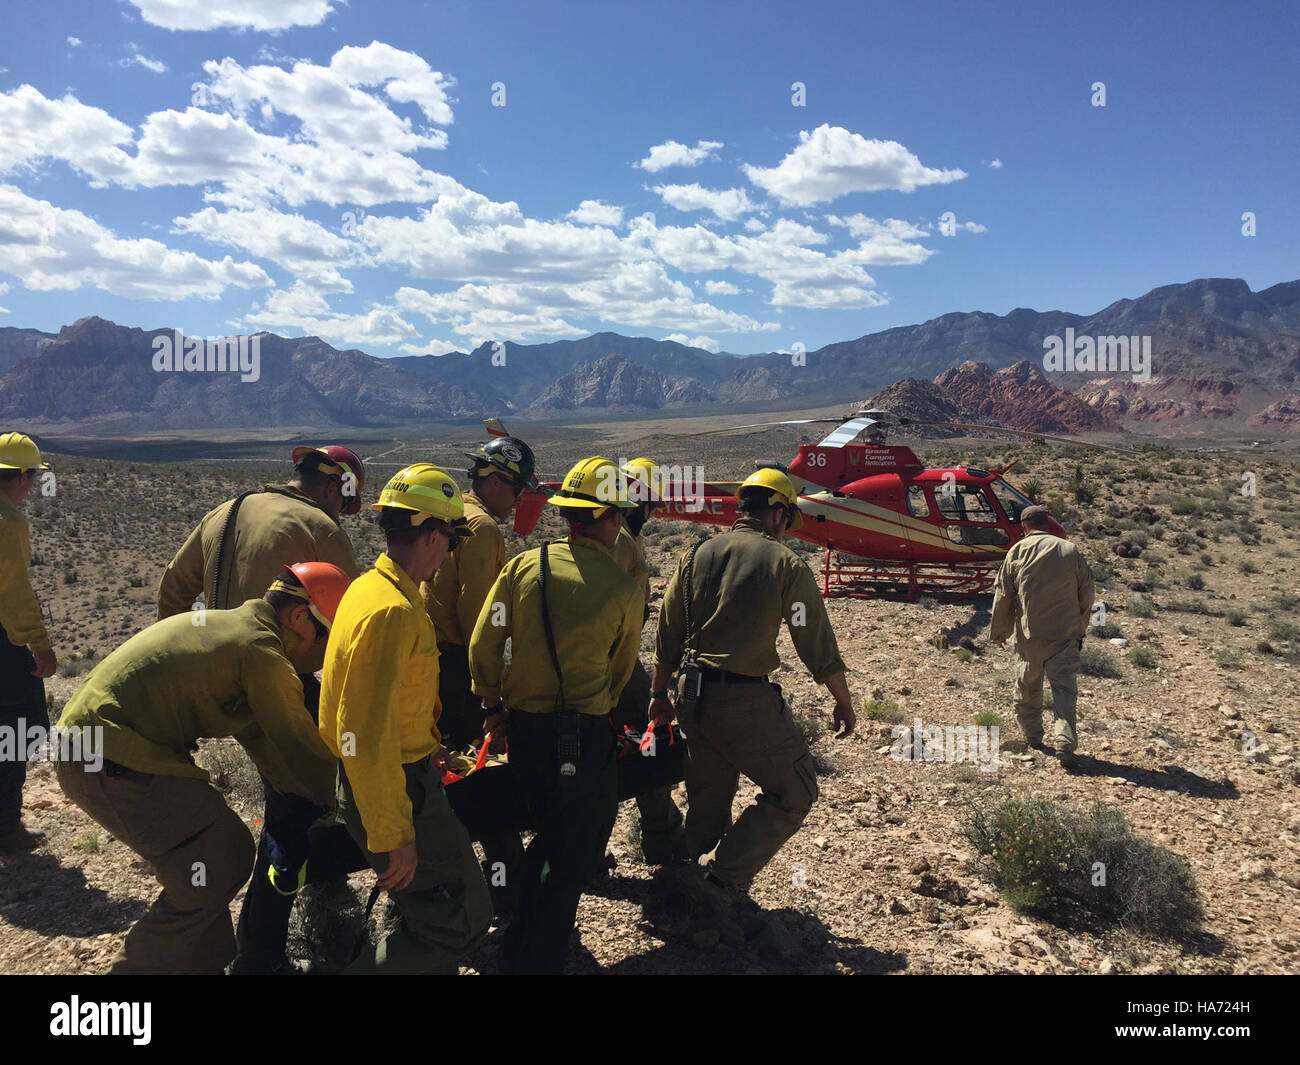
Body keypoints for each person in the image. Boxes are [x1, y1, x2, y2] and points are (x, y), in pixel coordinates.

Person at [55, 564, 350, 974]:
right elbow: (298, 741)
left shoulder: (236, 632)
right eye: (321, 636)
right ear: (299, 617)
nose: (315, 651)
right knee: (216, 860)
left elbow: (261, 735)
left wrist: (302, 793)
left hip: (94, 746)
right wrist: (353, 801)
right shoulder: (260, 652)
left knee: (214, 865)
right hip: (109, 754)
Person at [155, 444, 366, 974]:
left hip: (217, 690)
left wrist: (188, 668)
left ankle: (318, 884)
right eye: (346, 502)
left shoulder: (225, 511)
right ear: (337, 488)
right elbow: (357, 623)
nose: (343, 512)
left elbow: (172, 591)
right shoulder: (320, 528)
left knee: (297, 802)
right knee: (295, 806)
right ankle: (260, 951)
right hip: (276, 688)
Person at [650, 467, 855, 936]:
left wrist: (658, 694)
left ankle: (680, 871)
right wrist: (841, 699)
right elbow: (815, 641)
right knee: (796, 790)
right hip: (743, 701)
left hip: (690, 696)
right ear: (780, 513)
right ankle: (721, 883)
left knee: (710, 791)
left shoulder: (697, 552)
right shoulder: (784, 564)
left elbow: (667, 633)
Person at [469, 456, 643, 973]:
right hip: (584, 735)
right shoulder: (624, 590)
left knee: (545, 831)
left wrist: (493, 703)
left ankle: (519, 936)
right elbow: (620, 670)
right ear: (609, 518)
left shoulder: (524, 566)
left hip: (524, 731)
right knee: (569, 850)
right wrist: (599, 707)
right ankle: (539, 955)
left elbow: (484, 641)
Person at [319, 463, 493, 974]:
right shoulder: (391, 610)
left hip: (397, 779)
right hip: (395, 788)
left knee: (438, 912)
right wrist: (394, 835)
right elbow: (363, 735)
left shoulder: (373, 588)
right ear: (436, 535)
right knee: (457, 918)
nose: (452, 550)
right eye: (453, 539)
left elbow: (381, 710)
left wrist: (427, 740)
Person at [421, 436, 538, 749]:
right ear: (496, 481)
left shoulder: (454, 511)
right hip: (458, 669)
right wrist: (491, 696)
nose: (520, 499)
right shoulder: (482, 527)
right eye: (518, 489)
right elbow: (477, 617)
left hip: (432, 657)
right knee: (469, 764)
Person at [609, 457, 685, 864]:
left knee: (619, 747)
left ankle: (583, 846)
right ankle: (663, 837)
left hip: (614, 656)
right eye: (650, 504)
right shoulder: (620, 539)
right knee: (649, 739)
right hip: (613, 662)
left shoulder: (625, 535)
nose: (652, 513)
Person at [989, 504, 1095, 768]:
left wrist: (1000, 630)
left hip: (1029, 635)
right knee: (1064, 691)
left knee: (1027, 688)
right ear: (1048, 524)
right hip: (1065, 636)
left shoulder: (1017, 550)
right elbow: (1087, 592)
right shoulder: (1069, 550)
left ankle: (1034, 737)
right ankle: (1065, 742)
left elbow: (1004, 594)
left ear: (1024, 527)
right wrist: (1080, 626)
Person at [0, 432, 57, 852]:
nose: (32, 486)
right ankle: (5, 828)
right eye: (32, 478)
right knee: (19, 728)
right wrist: (38, 644)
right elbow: (14, 593)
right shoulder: (9, 522)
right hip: (4, 646)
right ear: (18, 477)